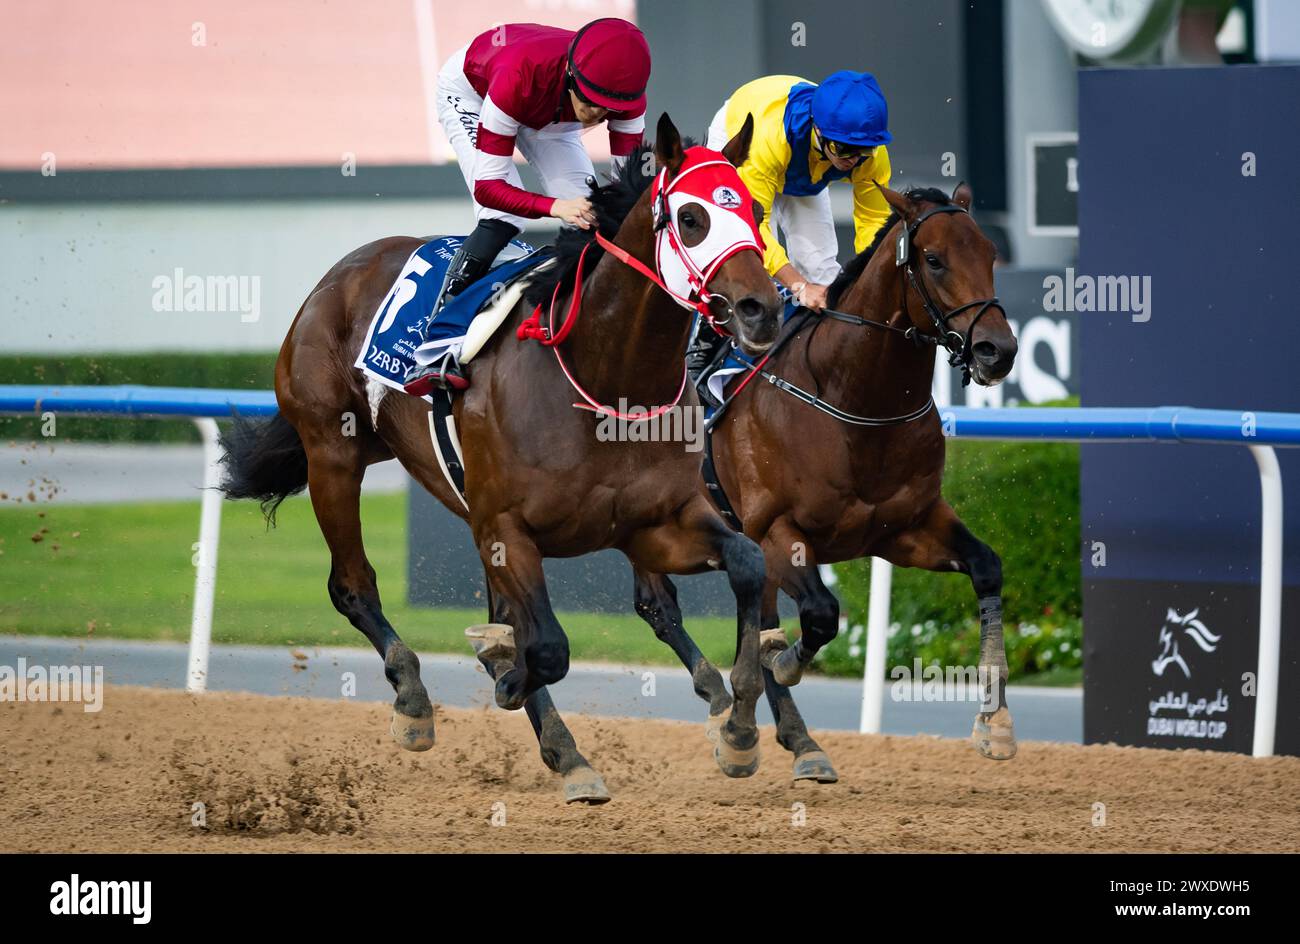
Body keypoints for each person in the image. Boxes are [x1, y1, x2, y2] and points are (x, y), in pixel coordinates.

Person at [404, 18, 651, 394]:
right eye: (592, 104)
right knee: (503, 217)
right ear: (572, 72)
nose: (599, 116)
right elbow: (490, 188)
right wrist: (555, 207)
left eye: (609, 110)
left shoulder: (624, 97)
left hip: (550, 112)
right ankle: (439, 339)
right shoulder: (517, 77)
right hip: (480, 94)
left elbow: (629, 190)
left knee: (597, 219)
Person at [688, 71, 894, 378]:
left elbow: (874, 224)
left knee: (823, 273)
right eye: (843, 149)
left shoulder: (871, 153)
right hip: (745, 137)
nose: (853, 160)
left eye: (861, 152)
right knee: (744, 260)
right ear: (819, 132)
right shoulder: (767, 140)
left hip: (800, 171)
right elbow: (753, 229)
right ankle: (703, 347)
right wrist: (798, 285)